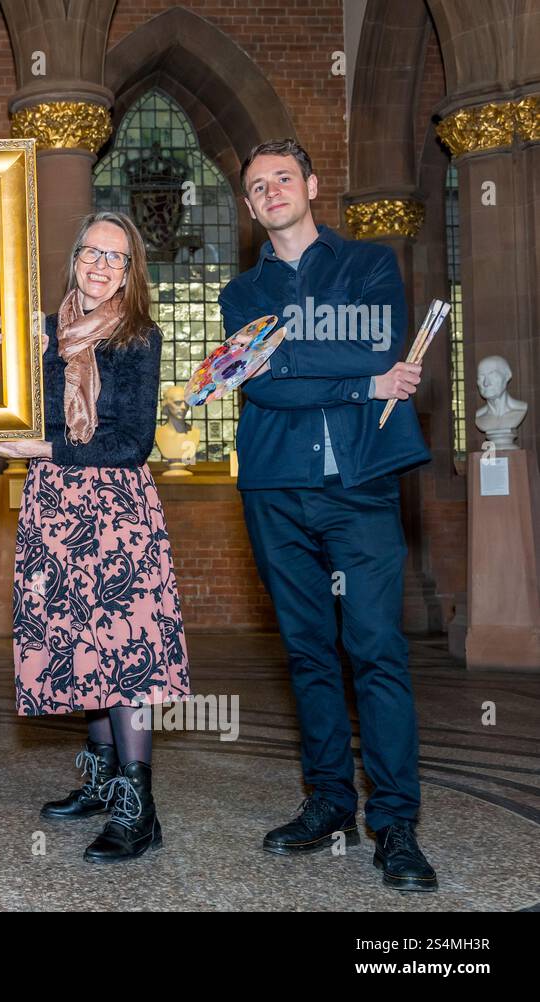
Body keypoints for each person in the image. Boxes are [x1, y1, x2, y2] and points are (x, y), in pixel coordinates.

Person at [220, 138, 436, 891]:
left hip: (360, 488)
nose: (272, 190)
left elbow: (376, 342)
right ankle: (329, 803)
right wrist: (360, 380)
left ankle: (397, 825)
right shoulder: (240, 296)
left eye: (284, 177)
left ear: (310, 185)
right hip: (275, 488)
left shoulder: (370, 264)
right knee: (308, 651)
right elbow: (264, 381)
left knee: (376, 649)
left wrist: (297, 352)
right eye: (257, 186)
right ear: (248, 208)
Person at [0, 211, 190, 864]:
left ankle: (139, 808)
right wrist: (14, 362)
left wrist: (37, 446)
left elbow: (129, 442)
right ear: (74, 259)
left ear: (133, 273)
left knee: (123, 651)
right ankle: (104, 783)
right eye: (91, 254)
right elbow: (25, 418)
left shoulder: (138, 336)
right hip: (54, 507)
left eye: (116, 258)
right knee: (79, 645)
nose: (101, 266)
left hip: (114, 509)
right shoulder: (45, 334)